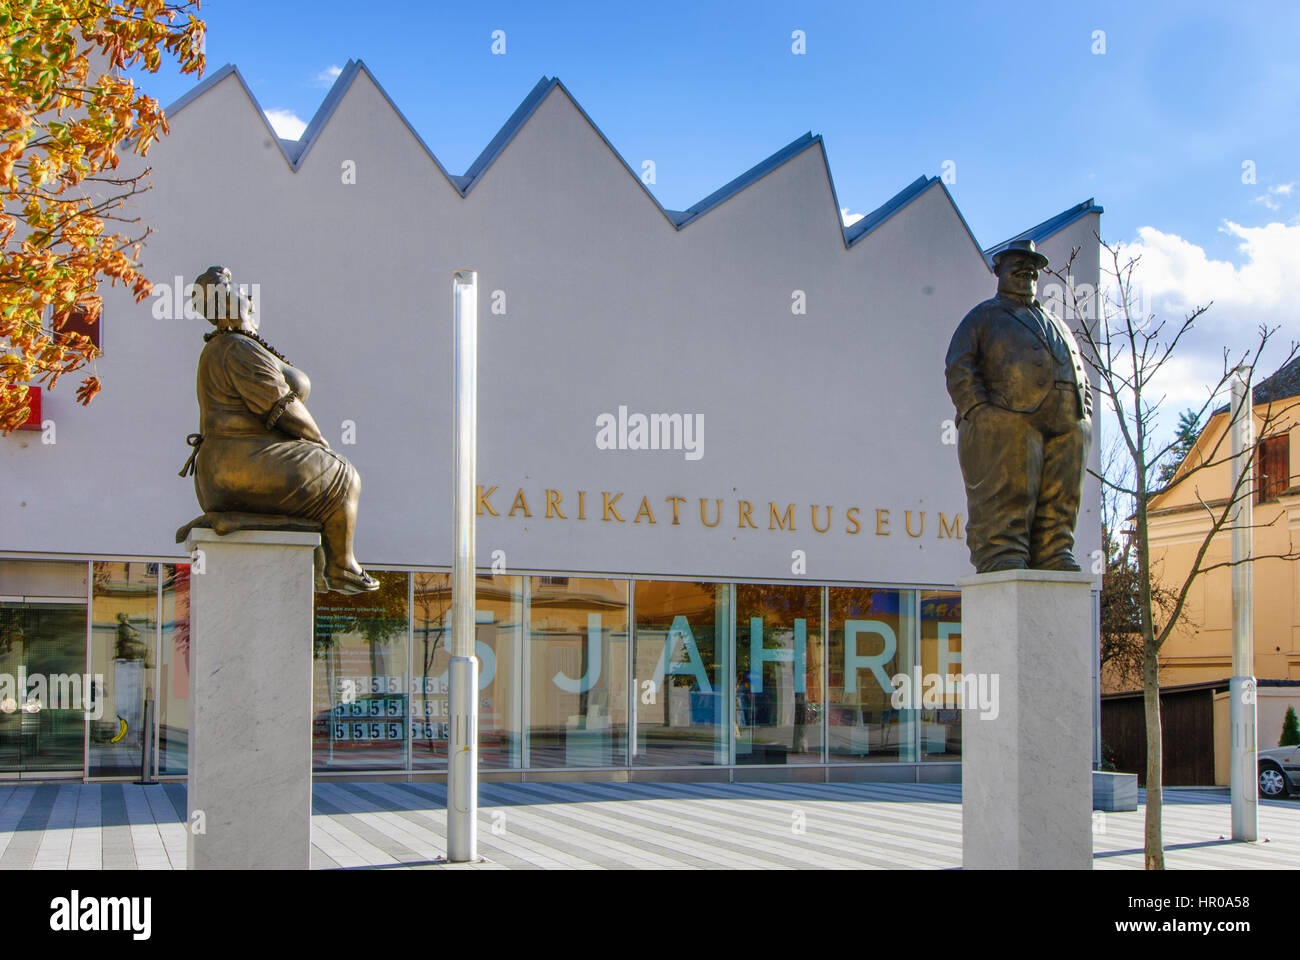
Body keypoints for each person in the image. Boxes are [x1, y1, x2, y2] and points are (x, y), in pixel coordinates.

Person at [181, 266, 378, 594]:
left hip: (223, 471)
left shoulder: (224, 346)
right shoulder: (237, 347)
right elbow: (280, 405)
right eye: (244, 296)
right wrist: (319, 443)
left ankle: (317, 559)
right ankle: (342, 566)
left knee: (328, 473)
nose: (251, 302)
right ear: (230, 304)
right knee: (344, 477)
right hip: (243, 464)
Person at [944, 240, 1092, 573]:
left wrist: (1085, 415)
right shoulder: (983, 317)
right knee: (1008, 492)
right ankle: (1002, 553)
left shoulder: (1057, 322)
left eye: (1032, 265)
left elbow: (1078, 368)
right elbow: (959, 365)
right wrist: (981, 412)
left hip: (1067, 423)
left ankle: (1055, 550)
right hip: (1009, 421)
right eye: (1017, 263)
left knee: (1062, 494)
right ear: (999, 271)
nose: (1026, 270)